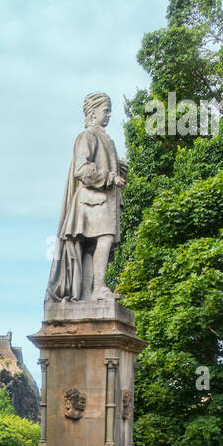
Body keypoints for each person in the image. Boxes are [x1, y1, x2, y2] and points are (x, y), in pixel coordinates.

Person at [46, 91, 128, 306]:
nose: (109, 115)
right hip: (92, 202)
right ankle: (98, 287)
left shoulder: (104, 138)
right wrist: (109, 176)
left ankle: (88, 292)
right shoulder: (88, 136)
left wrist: (118, 168)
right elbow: (81, 169)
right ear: (93, 113)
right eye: (106, 110)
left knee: (92, 247)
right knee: (105, 239)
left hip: (100, 201)